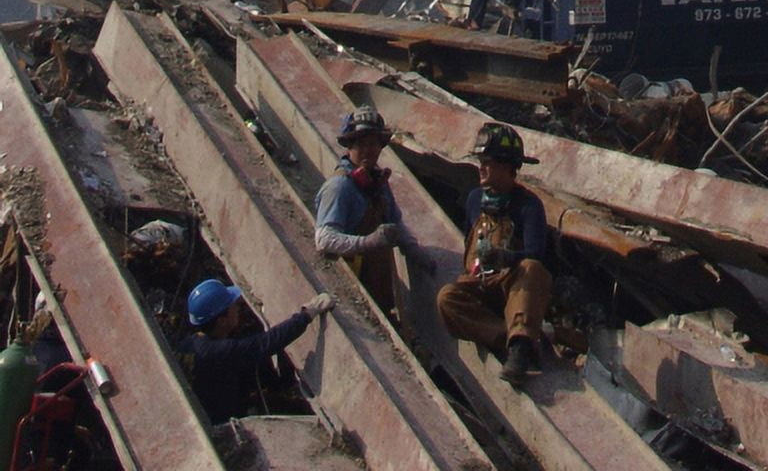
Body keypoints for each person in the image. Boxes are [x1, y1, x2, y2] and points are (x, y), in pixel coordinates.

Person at [437, 122, 552, 390]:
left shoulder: (529, 205)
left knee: (531, 269)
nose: (482, 167)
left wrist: (504, 257)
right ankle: (507, 337)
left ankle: (520, 348)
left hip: (510, 284)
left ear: (508, 167)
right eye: (481, 161)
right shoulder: (474, 200)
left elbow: (536, 253)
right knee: (446, 299)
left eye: (488, 162)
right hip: (479, 282)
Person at [314, 106, 432, 310]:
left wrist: (412, 248)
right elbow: (324, 239)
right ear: (349, 146)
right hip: (348, 288)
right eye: (361, 144)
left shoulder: (378, 182)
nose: (368, 150)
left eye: (373, 143)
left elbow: (395, 221)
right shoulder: (340, 187)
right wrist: (367, 242)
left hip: (376, 282)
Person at [176, 277, 333, 425]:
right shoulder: (218, 352)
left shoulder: (188, 344)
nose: (238, 307)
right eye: (233, 306)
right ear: (221, 320)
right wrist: (308, 313)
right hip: (221, 424)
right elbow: (266, 343)